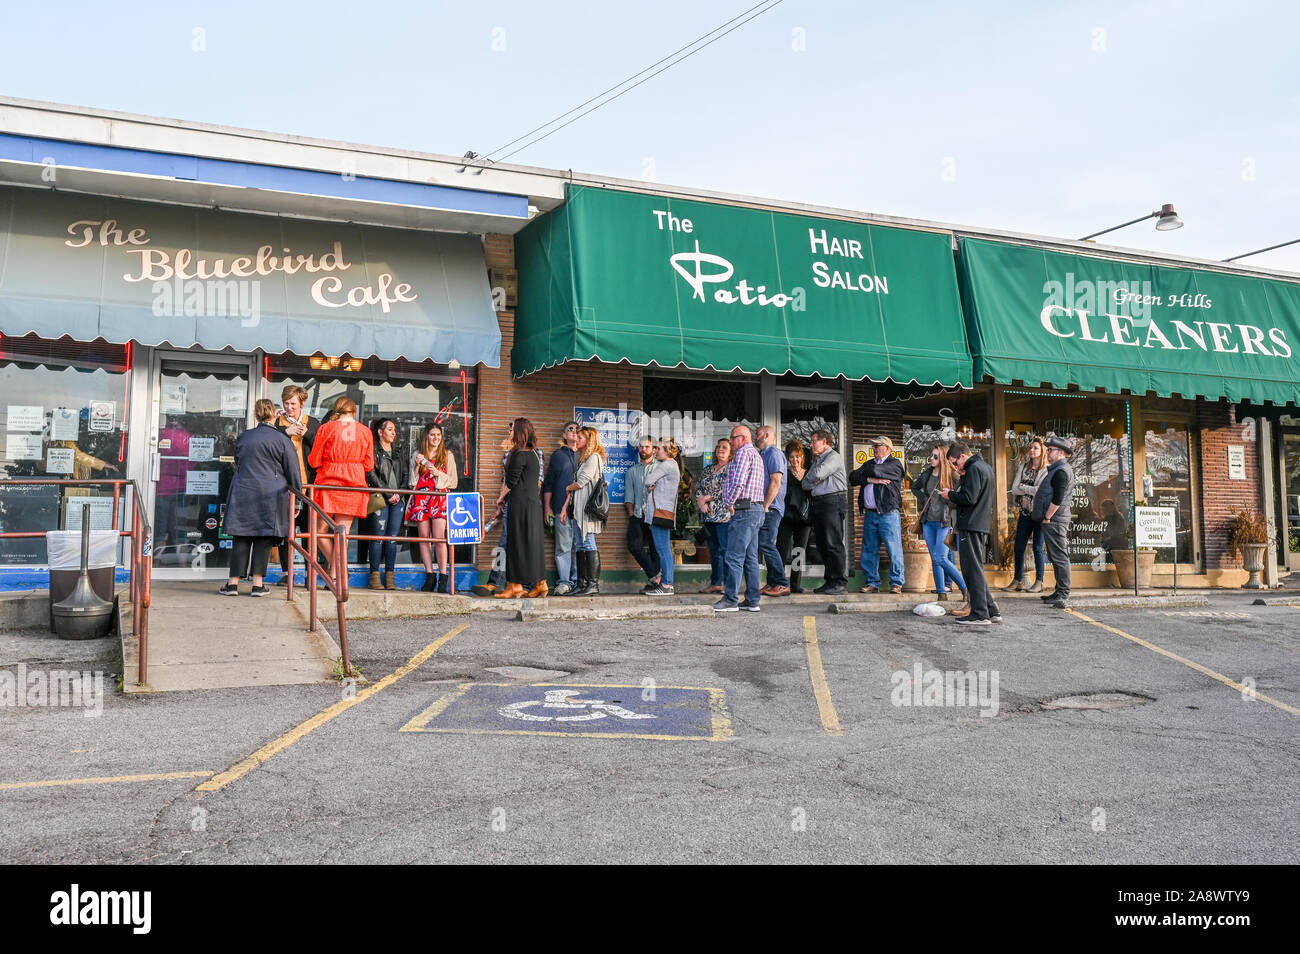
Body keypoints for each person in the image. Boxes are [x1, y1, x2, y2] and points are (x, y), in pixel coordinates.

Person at [220, 399, 301, 596]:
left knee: (241, 536)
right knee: (263, 537)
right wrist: (298, 499)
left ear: (256, 415)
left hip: (243, 490)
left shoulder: (244, 437)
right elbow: (293, 471)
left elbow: (238, 462)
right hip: (270, 494)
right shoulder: (282, 440)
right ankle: (257, 584)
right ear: (274, 414)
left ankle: (233, 584)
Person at [305, 396, 373, 581]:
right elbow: (369, 465)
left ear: (336, 410)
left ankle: (336, 575)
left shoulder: (326, 428)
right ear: (354, 411)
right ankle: (338, 576)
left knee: (319, 533)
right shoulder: (365, 431)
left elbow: (314, 460)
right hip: (353, 485)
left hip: (328, 483)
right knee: (343, 534)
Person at [940, 441, 1000, 626]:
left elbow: (969, 497)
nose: (954, 466)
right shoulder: (985, 467)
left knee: (971, 569)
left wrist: (949, 494)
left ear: (963, 456)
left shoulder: (973, 469)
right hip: (979, 524)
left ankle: (980, 614)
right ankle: (991, 609)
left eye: (955, 462)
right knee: (976, 569)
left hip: (971, 524)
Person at [713, 424, 766, 613]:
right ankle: (752, 600)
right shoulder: (757, 455)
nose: (731, 441)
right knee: (750, 558)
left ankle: (730, 599)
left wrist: (728, 501)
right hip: (756, 509)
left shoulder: (743, 454)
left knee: (734, 556)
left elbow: (738, 481)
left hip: (743, 510)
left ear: (743, 438)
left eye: (733, 438)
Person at [492, 418, 546, 599]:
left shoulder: (519, 454)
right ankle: (541, 583)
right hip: (533, 505)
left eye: (512, 430)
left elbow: (511, 481)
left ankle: (514, 585)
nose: (509, 433)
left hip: (519, 505)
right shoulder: (534, 454)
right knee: (533, 544)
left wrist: (500, 498)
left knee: (514, 545)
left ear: (519, 432)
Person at [911, 443, 967, 602]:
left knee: (942, 558)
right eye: (931, 456)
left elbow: (962, 493)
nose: (931, 459)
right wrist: (924, 500)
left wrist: (950, 499)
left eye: (935, 456)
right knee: (935, 558)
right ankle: (941, 594)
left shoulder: (951, 474)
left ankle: (965, 588)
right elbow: (915, 487)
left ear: (942, 457)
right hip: (928, 521)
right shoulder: (928, 473)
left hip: (944, 522)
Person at [274, 385, 318, 584]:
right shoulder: (276, 423)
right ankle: (287, 573)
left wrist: (306, 434)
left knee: (308, 532)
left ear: (301, 403)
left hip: (308, 484)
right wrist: (285, 431)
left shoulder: (313, 422)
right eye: (286, 403)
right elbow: (270, 445)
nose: (289, 408)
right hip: (283, 484)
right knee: (285, 531)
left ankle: (310, 574)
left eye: (293, 404)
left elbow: (320, 448)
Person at [850, 436, 905, 594]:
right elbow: (853, 477)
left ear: (888, 448)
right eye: (873, 446)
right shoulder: (870, 463)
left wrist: (866, 475)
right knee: (869, 549)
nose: (873, 449)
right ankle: (872, 582)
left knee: (893, 549)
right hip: (871, 514)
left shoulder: (894, 464)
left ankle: (896, 583)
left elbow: (874, 471)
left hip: (888, 514)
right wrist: (871, 480)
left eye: (877, 446)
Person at [407, 423, 458, 593]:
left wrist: (438, 474)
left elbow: (454, 482)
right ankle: (430, 575)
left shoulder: (447, 455)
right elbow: (411, 483)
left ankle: (443, 576)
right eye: (432, 435)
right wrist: (416, 466)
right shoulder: (418, 455)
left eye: (438, 435)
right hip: (421, 499)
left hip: (439, 499)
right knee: (424, 538)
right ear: (426, 437)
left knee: (439, 538)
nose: (435, 438)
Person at [802, 430, 849, 595]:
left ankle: (839, 582)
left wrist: (814, 478)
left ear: (825, 442)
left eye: (814, 441)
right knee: (822, 544)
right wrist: (814, 480)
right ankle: (830, 581)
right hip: (820, 503)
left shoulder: (833, 457)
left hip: (832, 502)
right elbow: (805, 483)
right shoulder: (818, 460)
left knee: (833, 542)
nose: (811, 444)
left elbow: (817, 474)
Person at [364, 418, 408, 590]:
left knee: (392, 539)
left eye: (394, 430)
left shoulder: (398, 452)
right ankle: (374, 577)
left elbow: (405, 474)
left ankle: (390, 577)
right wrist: (389, 493)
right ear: (380, 432)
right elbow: (371, 474)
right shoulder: (374, 451)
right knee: (378, 538)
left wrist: (400, 493)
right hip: (380, 499)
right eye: (390, 429)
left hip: (398, 500)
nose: (394, 433)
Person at [565, 425, 607, 596]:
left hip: (587, 510)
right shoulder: (583, 458)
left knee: (588, 543)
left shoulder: (594, 457)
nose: (577, 439)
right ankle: (581, 583)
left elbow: (581, 482)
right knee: (581, 545)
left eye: (581, 437)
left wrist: (567, 488)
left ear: (589, 440)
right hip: (579, 509)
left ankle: (592, 584)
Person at [1003, 437, 1049, 593]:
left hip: (1039, 513)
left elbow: (1040, 490)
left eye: (1035, 448)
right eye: (1031, 448)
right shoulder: (1024, 467)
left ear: (1042, 451)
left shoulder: (1045, 470)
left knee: (1037, 546)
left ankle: (1039, 581)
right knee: (1019, 546)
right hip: (1024, 513)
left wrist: (1025, 487)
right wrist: (1029, 488)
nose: (1032, 451)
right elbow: (1014, 489)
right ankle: (1018, 580)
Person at [1034, 436, 1076, 609]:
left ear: (1060, 452)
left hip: (1055, 520)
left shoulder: (1061, 471)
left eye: (1050, 450)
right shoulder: (1057, 469)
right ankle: (1059, 591)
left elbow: (1058, 499)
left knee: (1059, 557)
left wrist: (1048, 516)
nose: (1048, 452)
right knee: (1055, 556)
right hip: (1053, 519)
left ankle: (1063, 593)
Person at [543, 422, 580, 594]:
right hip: (560, 508)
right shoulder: (558, 455)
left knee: (581, 546)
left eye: (577, 429)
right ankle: (564, 582)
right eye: (570, 429)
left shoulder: (585, 456)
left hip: (582, 510)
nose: (574, 432)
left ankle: (578, 581)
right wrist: (547, 508)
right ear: (564, 436)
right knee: (563, 547)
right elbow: (548, 484)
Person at [642, 437, 681, 595]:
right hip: (663, 511)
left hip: (661, 512)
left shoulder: (667, 464)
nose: (656, 451)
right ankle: (666, 581)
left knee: (663, 549)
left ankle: (666, 584)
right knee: (663, 548)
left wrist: (652, 484)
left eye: (658, 448)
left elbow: (648, 480)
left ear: (668, 450)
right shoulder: (672, 465)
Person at [694, 437, 732, 594]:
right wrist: (701, 503)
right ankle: (715, 582)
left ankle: (728, 585)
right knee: (714, 551)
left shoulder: (731, 468)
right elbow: (698, 488)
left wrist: (707, 498)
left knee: (725, 550)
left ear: (730, 452)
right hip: (708, 516)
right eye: (718, 447)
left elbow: (726, 488)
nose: (720, 449)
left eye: (724, 447)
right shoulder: (708, 469)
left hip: (724, 516)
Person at [755, 425, 790, 597]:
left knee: (766, 543)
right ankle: (772, 583)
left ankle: (782, 583)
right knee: (764, 544)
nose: (756, 437)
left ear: (767, 435)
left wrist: (766, 505)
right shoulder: (763, 454)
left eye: (758, 434)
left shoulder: (774, 454)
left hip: (771, 507)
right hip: (765, 507)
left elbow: (776, 481)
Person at [624, 435, 661, 591]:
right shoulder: (632, 471)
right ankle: (655, 576)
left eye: (647, 446)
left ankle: (655, 583)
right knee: (634, 545)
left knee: (655, 549)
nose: (643, 449)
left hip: (656, 515)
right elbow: (629, 496)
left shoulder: (661, 468)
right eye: (641, 446)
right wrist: (632, 515)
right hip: (638, 515)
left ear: (653, 449)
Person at [778, 440, 813, 593]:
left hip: (804, 519)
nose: (795, 460)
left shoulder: (810, 473)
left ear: (802, 457)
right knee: (781, 549)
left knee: (799, 551)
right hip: (786, 517)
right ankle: (778, 582)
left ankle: (795, 584)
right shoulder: (784, 473)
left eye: (797, 456)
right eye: (791, 457)